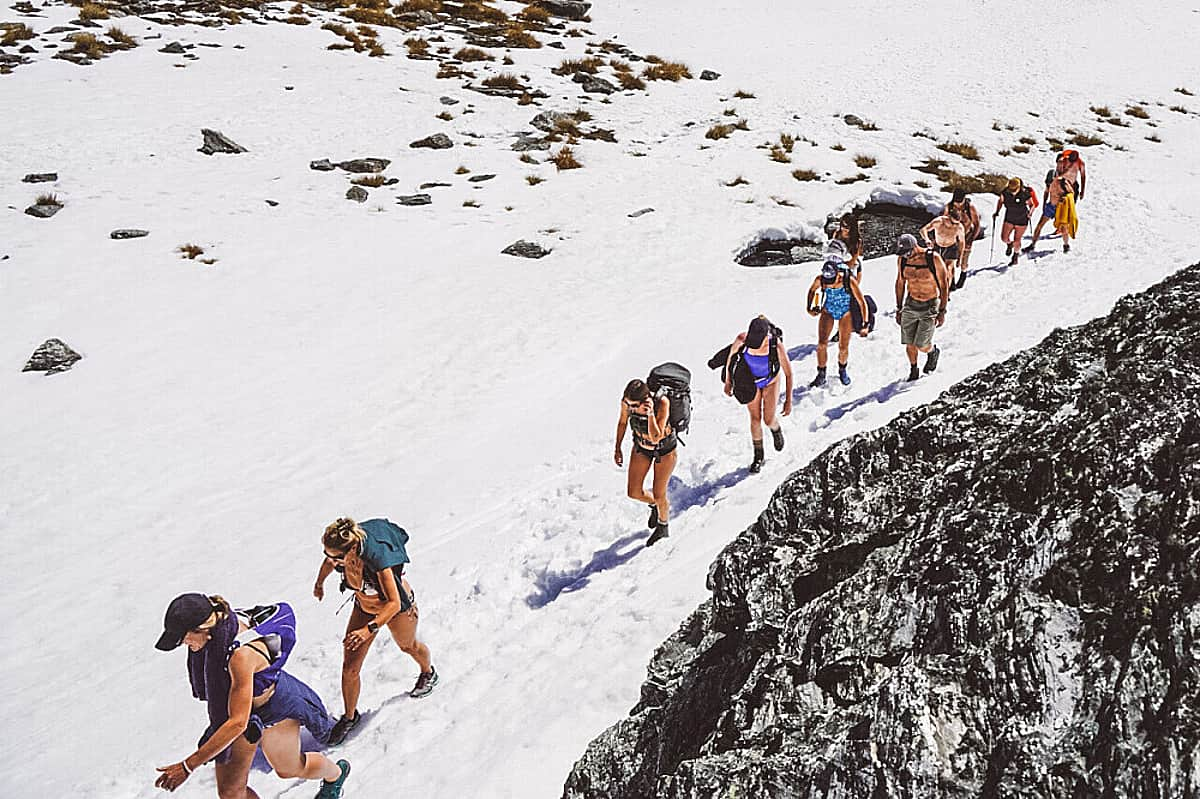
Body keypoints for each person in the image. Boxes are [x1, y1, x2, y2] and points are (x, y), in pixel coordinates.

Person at [153, 593, 351, 799]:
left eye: (184, 639)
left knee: (289, 768)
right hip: (245, 712)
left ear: (201, 628)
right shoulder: (218, 627)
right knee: (231, 792)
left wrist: (187, 766)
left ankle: (335, 776)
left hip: (275, 708)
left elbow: (237, 722)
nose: (185, 645)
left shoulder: (241, 656)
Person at [315, 517, 437, 745]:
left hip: (397, 610)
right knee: (349, 668)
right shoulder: (340, 553)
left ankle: (428, 672)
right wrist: (319, 583)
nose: (332, 560)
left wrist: (368, 630)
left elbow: (393, 603)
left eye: (336, 557)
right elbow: (329, 563)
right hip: (364, 606)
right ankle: (350, 716)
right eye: (328, 555)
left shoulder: (377, 558)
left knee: (408, 646)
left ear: (351, 549)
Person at [723, 315, 793, 473]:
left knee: (768, 419)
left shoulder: (776, 345)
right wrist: (728, 382)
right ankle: (758, 456)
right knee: (755, 418)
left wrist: (789, 400)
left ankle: (776, 429)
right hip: (750, 382)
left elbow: (788, 373)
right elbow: (730, 359)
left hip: (770, 381)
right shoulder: (742, 339)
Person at [614, 377, 678, 546]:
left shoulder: (661, 403)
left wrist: (650, 414)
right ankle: (654, 506)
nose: (631, 409)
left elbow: (656, 436)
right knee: (633, 491)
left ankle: (663, 526)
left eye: (635, 405)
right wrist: (618, 447)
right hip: (641, 448)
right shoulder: (628, 403)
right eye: (629, 404)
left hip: (664, 451)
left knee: (659, 494)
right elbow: (622, 422)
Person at [806, 255, 869, 386]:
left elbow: (862, 302)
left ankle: (842, 370)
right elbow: (812, 290)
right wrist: (809, 307)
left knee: (843, 347)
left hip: (845, 313)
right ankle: (821, 374)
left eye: (832, 280)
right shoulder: (821, 279)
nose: (830, 284)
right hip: (828, 311)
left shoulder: (848, 280)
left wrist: (865, 323)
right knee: (822, 344)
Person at [894, 234, 950, 381]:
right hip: (911, 303)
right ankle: (914, 369)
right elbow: (900, 283)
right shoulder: (903, 260)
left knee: (922, 344)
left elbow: (944, 285)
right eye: (903, 253)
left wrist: (942, 311)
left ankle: (932, 352)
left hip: (930, 305)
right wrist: (899, 308)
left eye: (908, 252)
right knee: (909, 341)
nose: (906, 256)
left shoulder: (933, 258)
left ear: (915, 247)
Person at [1026, 150, 1085, 253]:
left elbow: (1071, 193)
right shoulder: (1050, 181)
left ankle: (1066, 245)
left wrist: (1065, 199)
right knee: (1039, 225)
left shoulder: (1063, 182)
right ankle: (1032, 245)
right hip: (1051, 206)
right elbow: (1046, 192)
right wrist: (1044, 204)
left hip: (1061, 207)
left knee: (1064, 229)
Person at [993, 177, 1038, 266]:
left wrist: (1030, 213)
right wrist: (997, 212)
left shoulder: (1025, 193)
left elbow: (1032, 205)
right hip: (1009, 217)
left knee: (1017, 240)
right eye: (1011, 189)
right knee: (1004, 238)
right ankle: (1010, 244)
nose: (1012, 191)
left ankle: (1015, 256)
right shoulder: (1005, 192)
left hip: (1022, 219)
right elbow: (1000, 201)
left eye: (1014, 189)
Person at [919, 208, 966, 292]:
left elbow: (962, 242)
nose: (953, 225)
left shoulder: (959, 227)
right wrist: (927, 239)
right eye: (952, 222)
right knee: (937, 268)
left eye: (956, 223)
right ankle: (938, 287)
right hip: (938, 246)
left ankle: (946, 291)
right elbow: (923, 230)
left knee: (948, 268)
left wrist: (960, 258)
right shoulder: (939, 221)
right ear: (948, 217)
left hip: (951, 247)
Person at [942, 189, 980, 288]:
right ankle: (952, 280)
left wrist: (971, 239)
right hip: (953, 237)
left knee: (963, 261)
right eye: (956, 202)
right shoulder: (949, 207)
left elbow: (976, 224)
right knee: (950, 260)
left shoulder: (970, 208)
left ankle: (963, 275)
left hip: (967, 236)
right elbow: (943, 221)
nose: (958, 204)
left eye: (960, 202)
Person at [831, 215, 864, 279]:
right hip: (839, 260)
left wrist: (846, 266)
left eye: (848, 227)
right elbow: (833, 249)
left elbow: (854, 258)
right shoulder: (837, 234)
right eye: (843, 226)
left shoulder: (856, 239)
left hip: (852, 262)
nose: (845, 229)